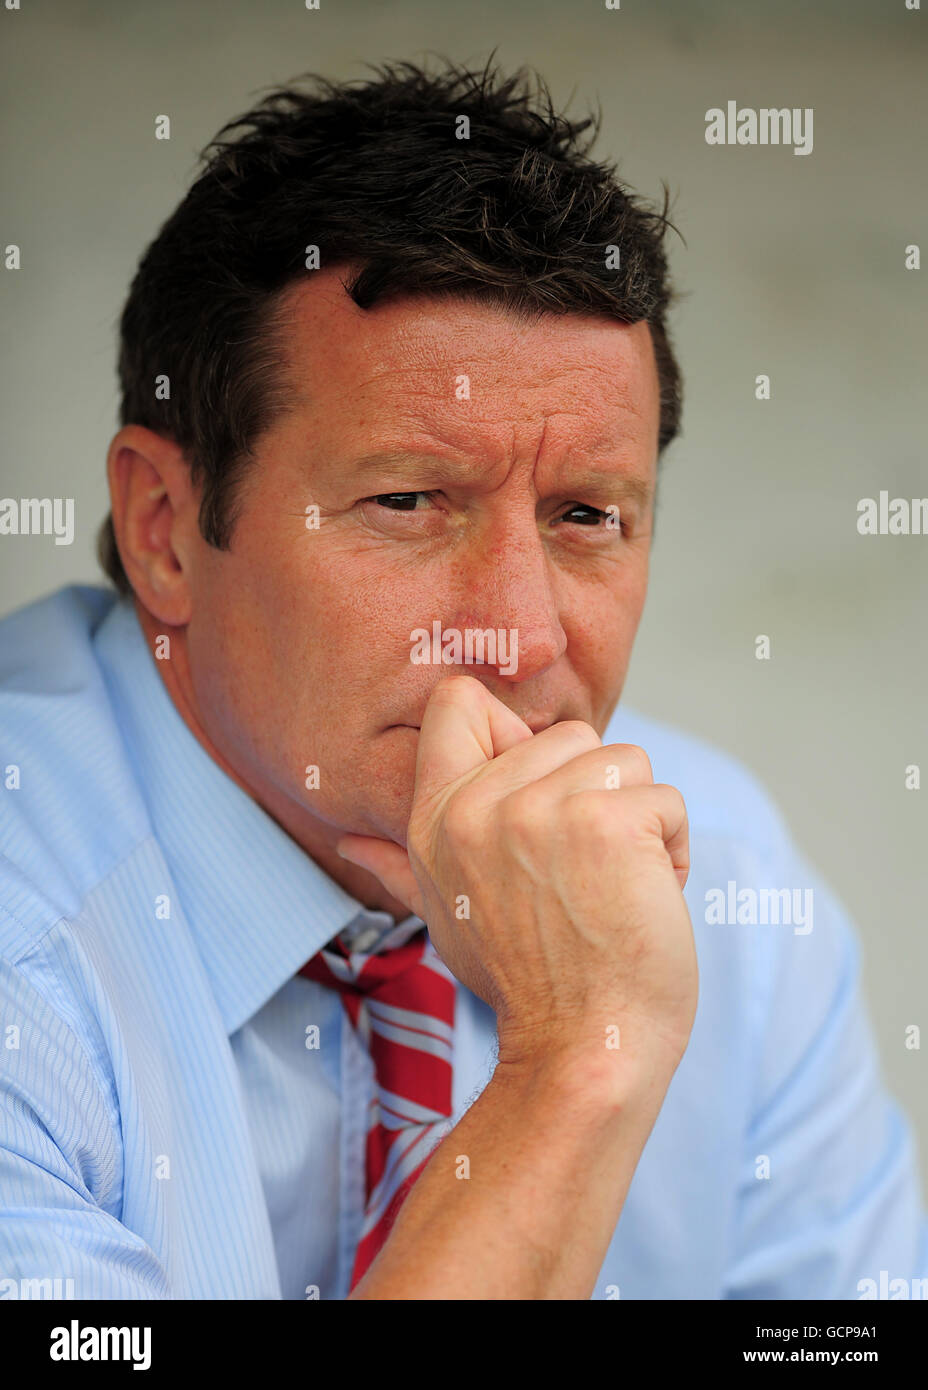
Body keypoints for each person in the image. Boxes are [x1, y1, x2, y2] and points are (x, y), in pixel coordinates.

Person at [0, 57, 924, 1302]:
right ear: (165, 526)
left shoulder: (734, 888)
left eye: (586, 513)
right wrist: (571, 1068)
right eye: (409, 500)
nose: (521, 636)